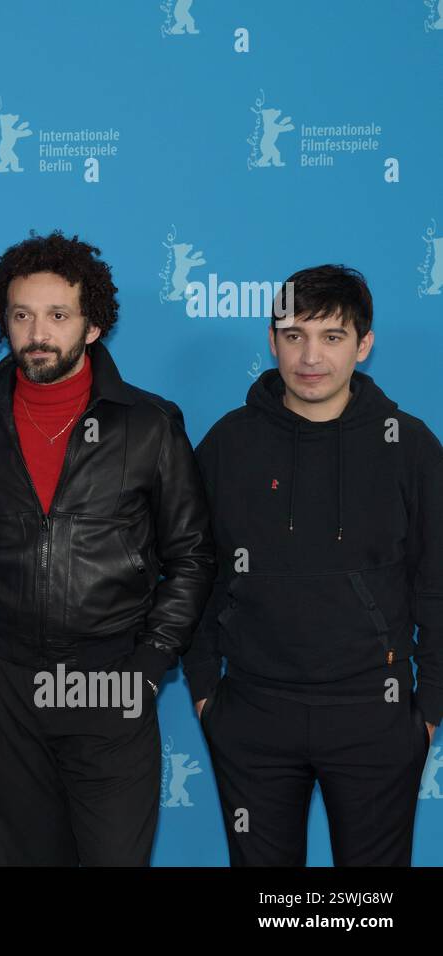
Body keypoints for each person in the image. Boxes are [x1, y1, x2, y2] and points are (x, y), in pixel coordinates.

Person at [0, 230, 215, 865]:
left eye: (58, 315)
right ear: (2, 321)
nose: (38, 331)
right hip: (5, 684)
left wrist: (149, 662)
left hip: (108, 677)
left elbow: (193, 555)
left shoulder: (150, 424)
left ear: (92, 326)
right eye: (22, 315)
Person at [186, 264, 442, 866]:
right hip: (251, 714)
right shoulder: (227, 443)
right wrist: (204, 691)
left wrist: (429, 709)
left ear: (364, 345)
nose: (310, 356)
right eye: (294, 335)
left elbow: (437, 584)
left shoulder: (408, 445)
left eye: (332, 337)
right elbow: (193, 571)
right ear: (272, 342)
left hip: (374, 715)